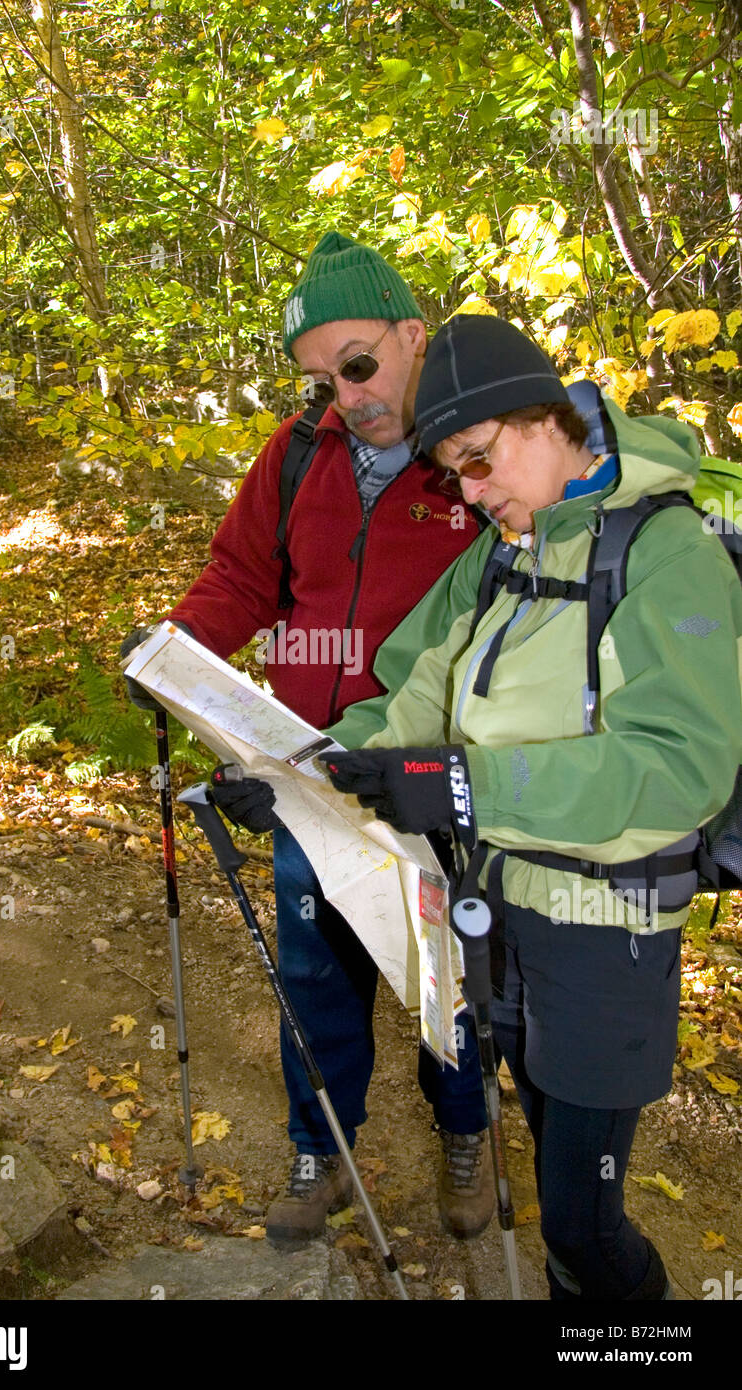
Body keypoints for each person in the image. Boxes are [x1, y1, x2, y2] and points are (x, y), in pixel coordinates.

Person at [320, 313, 742, 1299]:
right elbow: (415, 691)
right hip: (500, 919)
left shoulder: (667, 551)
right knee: (556, 1171)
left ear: (547, 417)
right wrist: (306, 770)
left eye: (477, 461)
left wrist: (464, 786)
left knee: (583, 1222)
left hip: (607, 935)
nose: (469, 494)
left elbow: (678, 765)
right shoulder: (499, 553)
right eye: (453, 475)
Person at [122, 233, 493, 1247]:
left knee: (443, 970)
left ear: (412, 335)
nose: (343, 394)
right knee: (314, 969)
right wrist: (174, 649)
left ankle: (467, 1134)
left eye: (358, 364)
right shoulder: (295, 454)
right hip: (303, 763)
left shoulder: (476, 454)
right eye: (318, 376)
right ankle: (320, 1148)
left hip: (432, 767)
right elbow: (242, 576)